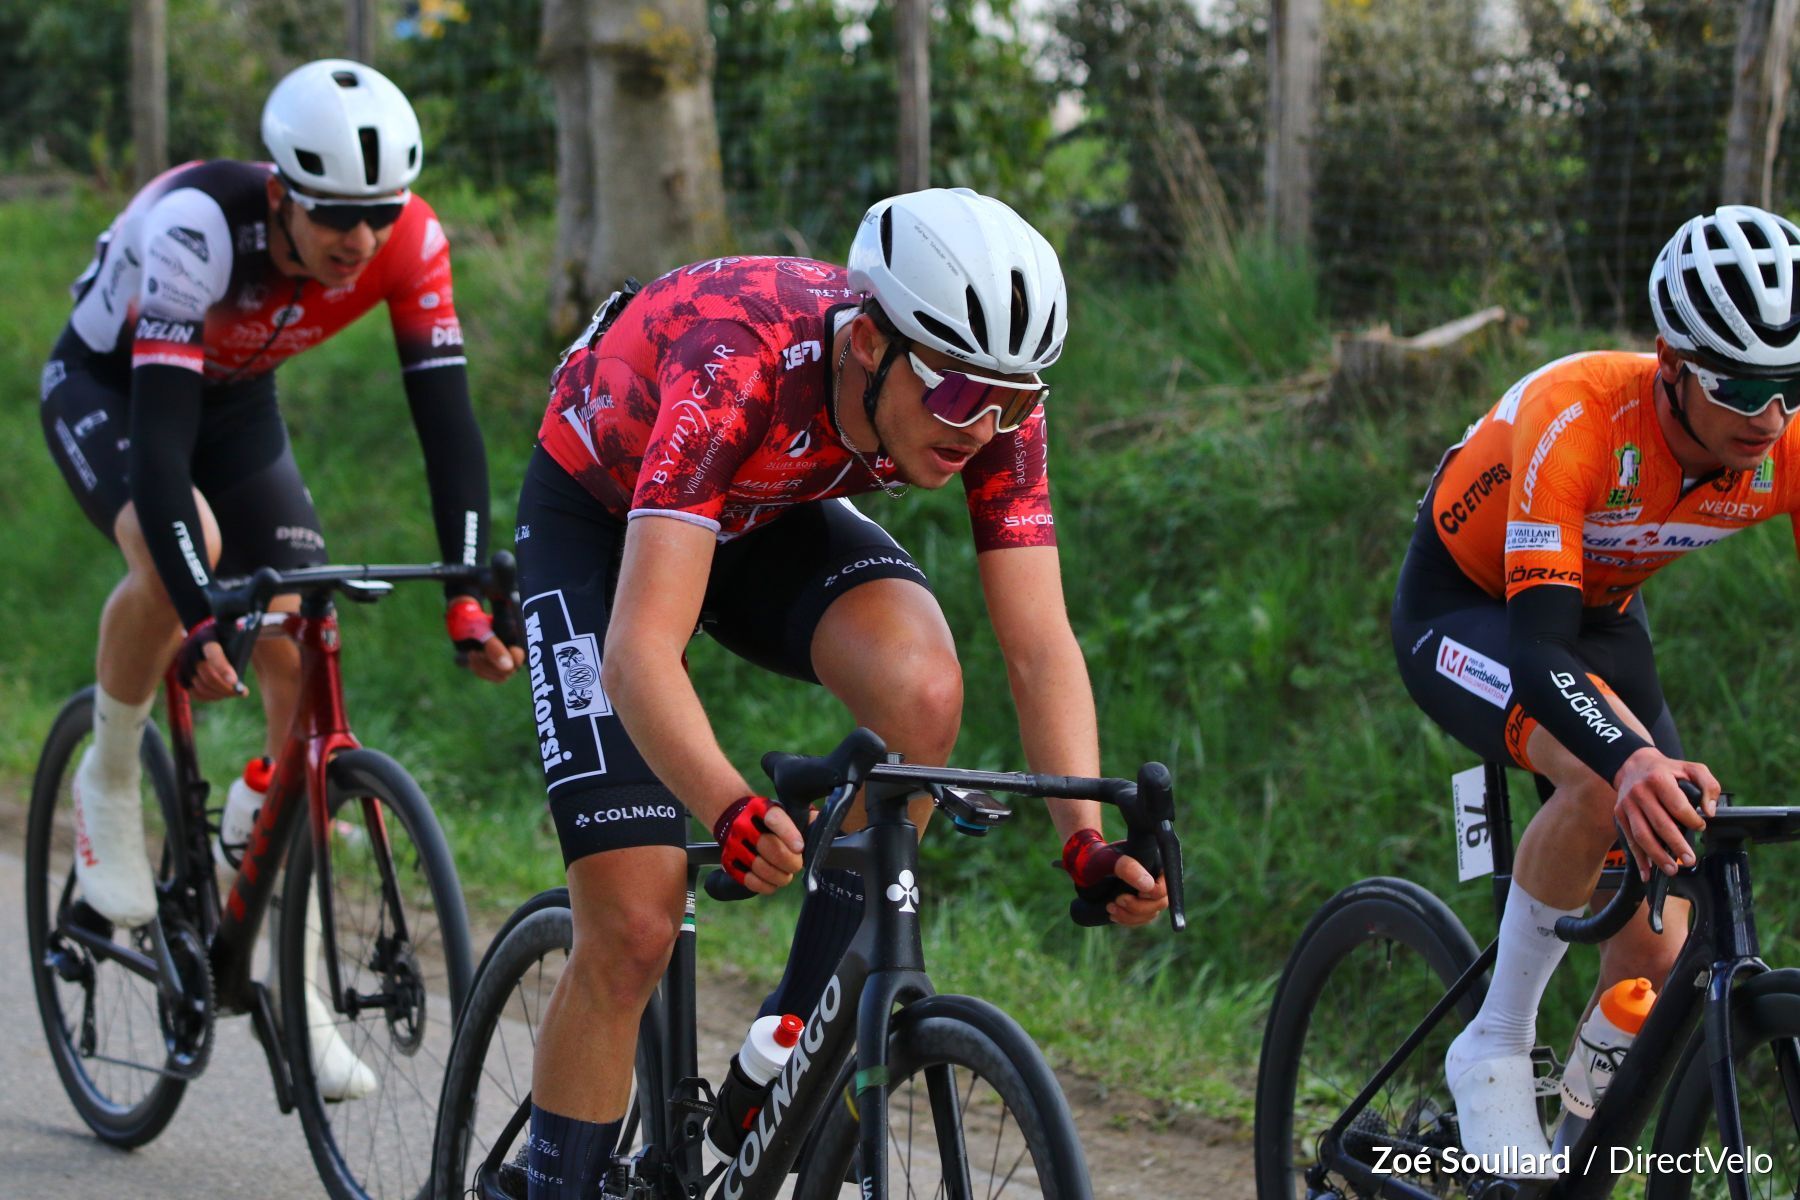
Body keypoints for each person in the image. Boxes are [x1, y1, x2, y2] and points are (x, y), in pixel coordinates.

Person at [512, 187, 1169, 1196]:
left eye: (1016, 401)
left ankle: (790, 1035)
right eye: (959, 394)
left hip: (762, 510)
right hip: (602, 512)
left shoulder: (987, 406)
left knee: (921, 690)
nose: (984, 428)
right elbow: (638, 653)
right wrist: (729, 808)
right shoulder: (739, 360)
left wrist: (1083, 837)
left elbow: (1039, 644)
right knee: (636, 924)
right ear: (869, 342)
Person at [40, 59, 521, 1092]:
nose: (361, 238)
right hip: (115, 389)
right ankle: (109, 774)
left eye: (379, 213)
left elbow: (448, 428)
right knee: (188, 550)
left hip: (238, 400)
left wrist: (467, 593)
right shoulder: (199, 231)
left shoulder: (413, 242)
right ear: (281, 196)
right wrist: (197, 614)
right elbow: (160, 459)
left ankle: (278, 946)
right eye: (336, 214)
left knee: (298, 635)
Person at [1387, 204, 1800, 1171]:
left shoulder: (1782, 444)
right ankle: (1493, 1042)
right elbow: (1538, 651)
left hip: (1601, 614)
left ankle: (1571, 1153)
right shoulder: (1580, 416)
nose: (1770, 419)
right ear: (1671, 363)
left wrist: (1639, 765)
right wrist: (1628, 761)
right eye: (1742, 388)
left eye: (1791, 386)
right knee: (1599, 776)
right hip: (1470, 607)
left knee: (1658, 945)